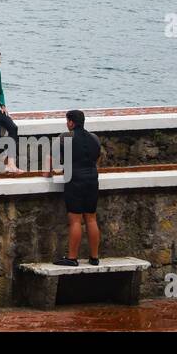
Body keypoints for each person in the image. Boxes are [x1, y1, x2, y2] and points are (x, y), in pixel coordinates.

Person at [56, 109, 102, 266]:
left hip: (74, 180)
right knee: (91, 218)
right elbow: (97, 159)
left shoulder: (65, 138)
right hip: (92, 179)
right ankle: (94, 257)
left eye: (67, 121)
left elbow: (51, 160)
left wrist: (49, 173)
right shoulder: (94, 138)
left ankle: (72, 258)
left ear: (71, 122)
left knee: (75, 220)